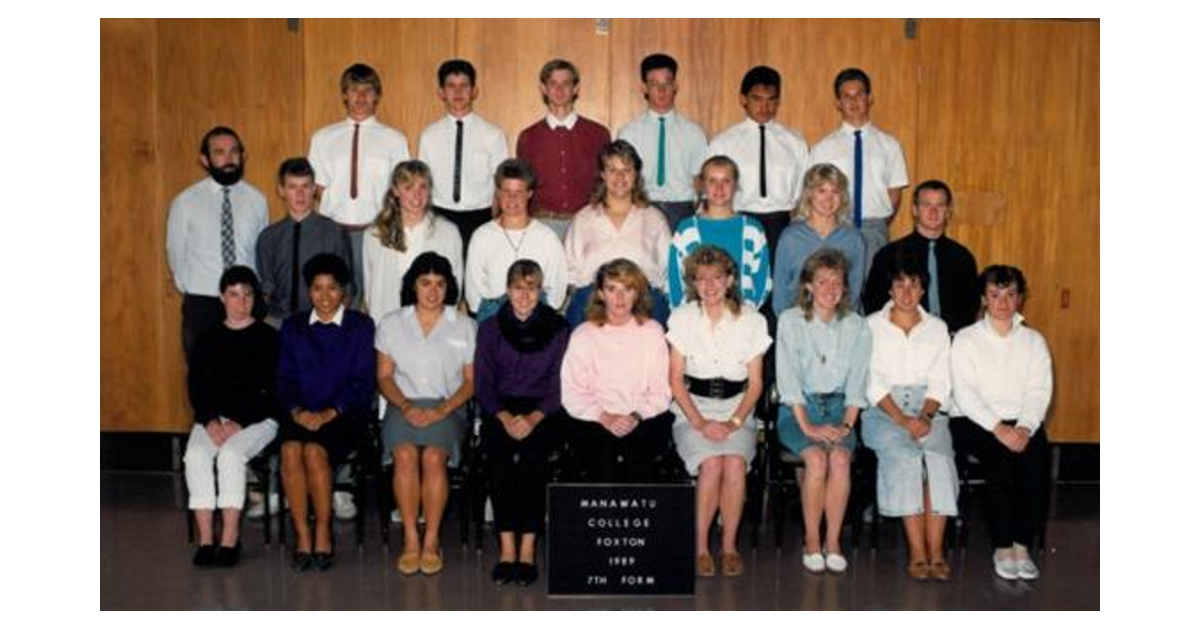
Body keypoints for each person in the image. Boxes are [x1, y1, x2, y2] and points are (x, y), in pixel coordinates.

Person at [667, 246, 770, 578]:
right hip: (691, 407)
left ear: (730, 280)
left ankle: (728, 546)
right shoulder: (681, 318)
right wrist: (699, 422)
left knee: (735, 464)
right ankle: (700, 548)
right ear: (693, 284)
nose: (709, 286)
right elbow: (674, 379)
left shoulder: (753, 319)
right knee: (711, 463)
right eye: (701, 279)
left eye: (716, 278)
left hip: (738, 406)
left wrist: (734, 421)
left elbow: (755, 384)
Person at [375, 252, 476, 576]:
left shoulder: (464, 325)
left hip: (447, 407)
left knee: (433, 458)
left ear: (449, 288)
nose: (432, 291)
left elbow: (472, 382)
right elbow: (384, 376)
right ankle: (409, 539)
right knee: (404, 455)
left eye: (440, 284)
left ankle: (431, 540)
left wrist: (441, 410)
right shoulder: (392, 323)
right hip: (401, 405)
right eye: (425, 283)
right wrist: (405, 406)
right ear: (412, 286)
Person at [951, 265, 1053, 581]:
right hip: (975, 421)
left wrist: (1024, 428)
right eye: (995, 295)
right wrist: (998, 428)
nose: (1003, 302)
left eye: (1010, 295)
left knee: (1036, 461)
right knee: (1000, 463)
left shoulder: (1034, 341)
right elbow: (965, 394)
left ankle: (1023, 545)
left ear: (1020, 299)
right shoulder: (966, 339)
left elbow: (1039, 390)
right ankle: (1002, 546)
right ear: (984, 298)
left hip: (1021, 421)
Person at [861, 256, 958, 581]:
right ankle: (917, 552)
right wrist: (903, 420)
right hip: (884, 410)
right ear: (890, 288)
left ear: (923, 289)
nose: (906, 292)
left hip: (928, 409)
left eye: (914, 285)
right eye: (900, 284)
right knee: (906, 458)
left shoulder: (937, 328)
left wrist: (925, 416)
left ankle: (937, 553)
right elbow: (871, 381)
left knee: (938, 460)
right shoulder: (871, 325)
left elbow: (942, 380)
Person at [475, 260, 571, 587]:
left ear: (541, 291)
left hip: (543, 410)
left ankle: (528, 548)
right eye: (518, 288)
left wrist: (533, 418)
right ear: (507, 290)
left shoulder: (558, 329)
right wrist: (503, 417)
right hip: (500, 407)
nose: (525, 295)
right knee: (498, 462)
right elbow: (483, 384)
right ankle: (506, 549)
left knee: (534, 463)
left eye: (532, 288)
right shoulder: (489, 328)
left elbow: (560, 386)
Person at [775, 249, 872, 574]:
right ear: (808, 286)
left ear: (845, 288)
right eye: (822, 281)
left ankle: (834, 542)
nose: (830, 288)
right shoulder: (790, 321)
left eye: (837, 282)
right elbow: (787, 382)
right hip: (798, 410)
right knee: (816, 459)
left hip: (839, 409)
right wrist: (809, 429)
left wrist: (846, 426)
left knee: (841, 458)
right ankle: (812, 540)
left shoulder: (857, 325)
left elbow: (858, 382)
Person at [277, 253, 375, 572]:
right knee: (291, 451)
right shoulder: (293, 328)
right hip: (301, 413)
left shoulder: (360, 326)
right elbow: (284, 378)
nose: (325, 296)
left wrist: (330, 413)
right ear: (309, 292)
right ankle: (302, 535)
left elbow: (363, 382)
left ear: (343, 291)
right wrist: (296, 411)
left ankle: (322, 531)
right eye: (317, 289)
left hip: (344, 416)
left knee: (316, 452)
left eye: (332, 288)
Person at [183, 266, 280, 568]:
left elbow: (273, 390)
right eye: (234, 295)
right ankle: (205, 540)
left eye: (248, 295)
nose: (242, 302)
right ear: (222, 298)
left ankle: (229, 537)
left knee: (230, 457)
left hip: (259, 419)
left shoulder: (268, 337)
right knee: (196, 455)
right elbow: (197, 385)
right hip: (216, 418)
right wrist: (211, 420)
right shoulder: (208, 337)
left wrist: (240, 422)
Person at [561, 259, 672, 482]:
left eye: (627, 289)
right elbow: (572, 393)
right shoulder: (583, 334)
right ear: (601, 294)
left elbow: (661, 392)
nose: (620, 298)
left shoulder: (653, 332)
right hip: (595, 418)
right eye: (612, 289)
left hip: (642, 418)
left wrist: (635, 416)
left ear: (637, 293)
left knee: (638, 463)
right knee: (600, 463)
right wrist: (604, 417)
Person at [308, 63, 411, 305]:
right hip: (334, 231)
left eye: (368, 90)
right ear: (344, 94)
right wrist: (340, 214)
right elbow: (318, 186)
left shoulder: (394, 139)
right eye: (354, 90)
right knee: (335, 299)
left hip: (376, 231)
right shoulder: (323, 138)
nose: (361, 96)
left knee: (379, 299)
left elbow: (401, 189)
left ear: (377, 95)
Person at [167, 125, 269, 362]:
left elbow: (259, 251)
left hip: (246, 301)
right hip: (204, 302)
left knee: (248, 373)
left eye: (234, 151)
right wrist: (190, 287)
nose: (229, 158)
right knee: (205, 377)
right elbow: (176, 251)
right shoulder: (185, 202)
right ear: (205, 159)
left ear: (243, 156)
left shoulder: (257, 200)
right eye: (219, 152)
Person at [564, 140, 672, 327]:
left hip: (642, 302)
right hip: (595, 302)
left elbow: (667, 272)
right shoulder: (584, 218)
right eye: (613, 170)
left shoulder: (654, 218)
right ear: (603, 175)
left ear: (636, 174)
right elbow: (571, 273)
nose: (620, 177)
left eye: (627, 170)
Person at [810, 68, 909, 269]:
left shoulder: (889, 145)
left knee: (872, 290)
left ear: (870, 98)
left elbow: (895, 194)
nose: (853, 102)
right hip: (836, 225)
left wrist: (878, 222)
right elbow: (813, 193)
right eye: (846, 96)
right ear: (838, 102)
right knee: (837, 287)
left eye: (859, 95)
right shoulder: (823, 148)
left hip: (874, 228)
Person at [707, 65, 809, 259]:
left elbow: (803, 190)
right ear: (743, 99)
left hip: (782, 223)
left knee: (780, 282)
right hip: (738, 219)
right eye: (757, 99)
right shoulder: (724, 142)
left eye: (771, 100)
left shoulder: (794, 142)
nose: (764, 107)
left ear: (778, 101)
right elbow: (711, 189)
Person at [863, 180, 979, 334]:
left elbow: (971, 305)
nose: (933, 212)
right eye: (926, 205)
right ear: (915, 210)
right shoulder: (889, 255)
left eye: (940, 205)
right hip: (902, 339)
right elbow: (874, 303)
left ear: (948, 211)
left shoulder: (962, 257)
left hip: (952, 340)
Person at [418, 59, 510, 249]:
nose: (458, 92)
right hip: (439, 215)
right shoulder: (429, 135)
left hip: (480, 217)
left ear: (474, 91)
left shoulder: (493, 135)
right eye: (451, 86)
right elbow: (423, 182)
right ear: (441, 92)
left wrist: (494, 220)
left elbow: (501, 184)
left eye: (464, 85)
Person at [516, 58, 611, 240]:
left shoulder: (599, 134)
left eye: (566, 83)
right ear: (543, 89)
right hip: (543, 224)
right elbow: (522, 187)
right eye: (553, 84)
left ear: (576, 89)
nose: (559, 90)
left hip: (587, 223)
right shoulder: (528, 137)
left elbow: (606, 183)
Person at [465, 159, 568, 320]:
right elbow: (474, 295)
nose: (512, 198)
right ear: (498, 193)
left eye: (519, 192)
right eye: (506, 191)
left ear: (529, 193)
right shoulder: (482, 236)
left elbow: (557, 290)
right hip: (494, 316)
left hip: (536, 314)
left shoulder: (546, 237)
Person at [256, 157, 354, 326]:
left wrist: (332, 325)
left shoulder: (334, 233)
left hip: (322, 321)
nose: (300, 194)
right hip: (279, 321)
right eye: (292, 187)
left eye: (305, 186)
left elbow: (347, 287)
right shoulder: (268, 237)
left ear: (314, 189)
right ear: (281, 190)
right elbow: (265, 288)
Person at [616, 53, 708, 232]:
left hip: (682, 211)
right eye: (654, 84)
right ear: (644, 88)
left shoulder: (694, 133)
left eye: (667, 83)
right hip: (642, 209)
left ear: (675, 86)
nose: (661, 89)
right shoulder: (629, 133)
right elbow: (623, 178)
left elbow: (701, 180)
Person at [667, 155, 771, 310]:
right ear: (702, 186)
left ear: (735, 185)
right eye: (712, 181)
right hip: (696, 320)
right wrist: (689, 316)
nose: (719, 188)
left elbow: (762, 280)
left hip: (741, 318)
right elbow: (675, 281)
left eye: (726, 181)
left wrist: (744, 313)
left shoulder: (752, 229)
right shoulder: (687, 229)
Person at [363, 160, 463, 322]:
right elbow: (370, 289)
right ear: (395, 190)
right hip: (387, 324)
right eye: (408, 188)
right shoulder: (375, 235)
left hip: (433, 325)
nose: (417, 195)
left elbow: (453, 288)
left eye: (423, 187)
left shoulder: (448, 233)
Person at [772, 163, 868, 316]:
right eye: (821, 191)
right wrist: (789, 325)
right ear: (809, 194)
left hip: (840, 324)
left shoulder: (854, 239)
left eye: (835, 191)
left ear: (842, 197)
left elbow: (854, 292)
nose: (828, 199)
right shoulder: (790, 238)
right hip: (799, 323)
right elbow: (780, 293)